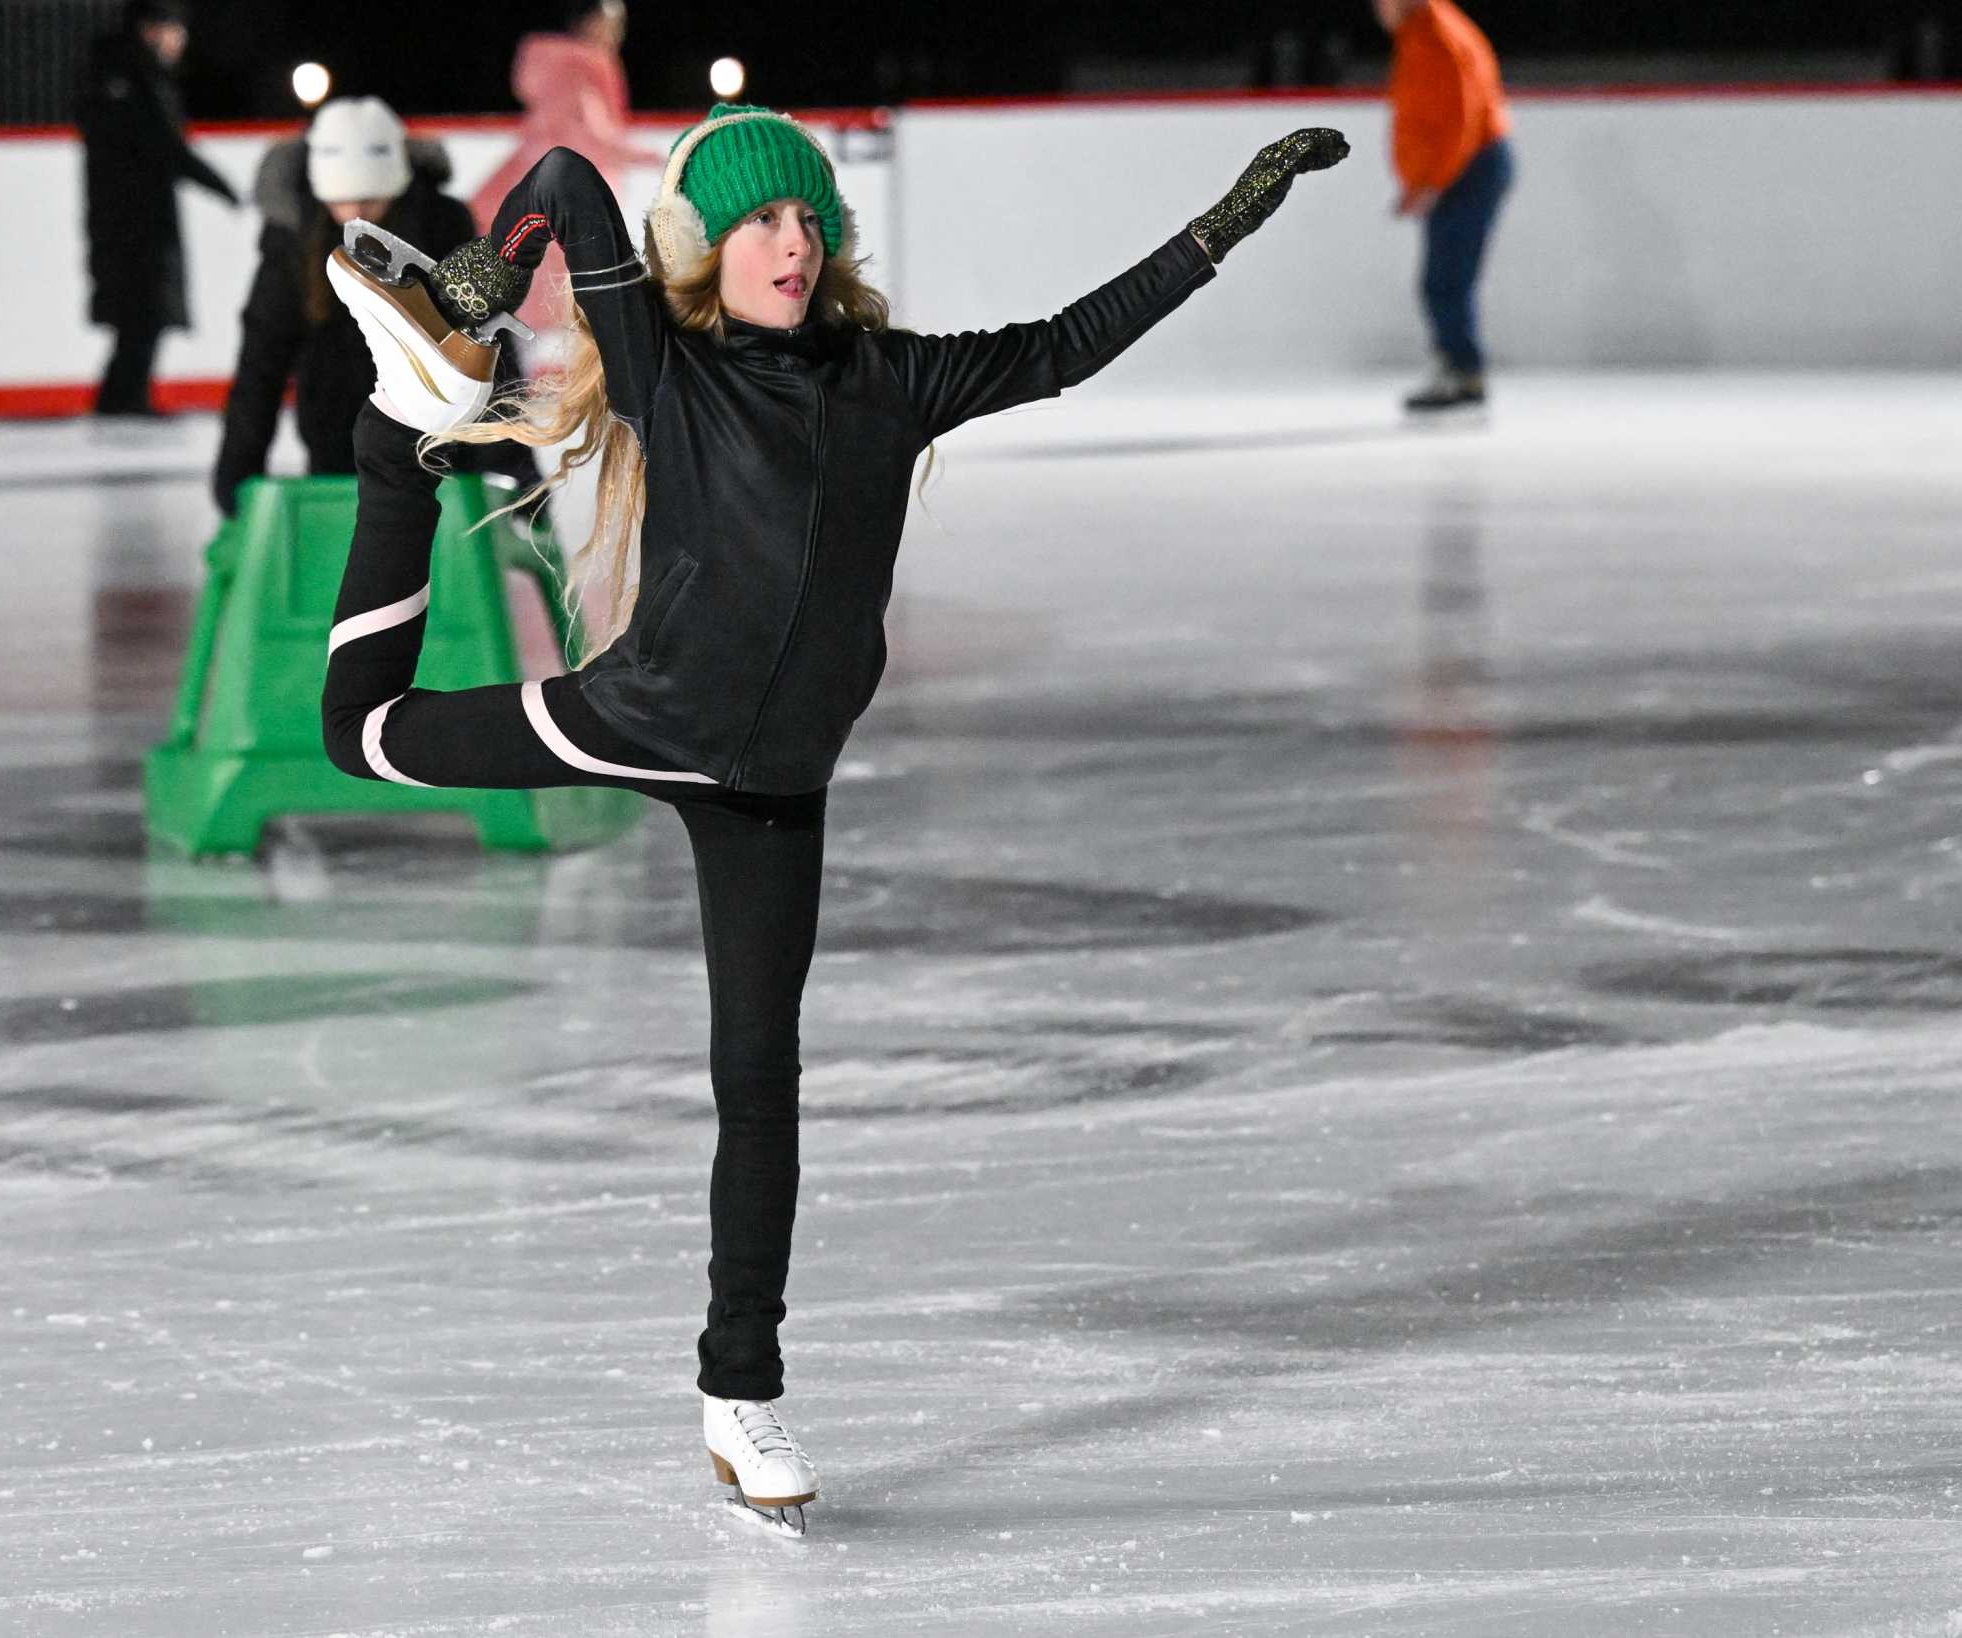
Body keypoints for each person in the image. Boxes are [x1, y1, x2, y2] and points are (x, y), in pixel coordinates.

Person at [319, 104, 1349, 1534]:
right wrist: (496, 273)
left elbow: (1060, 346)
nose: (791, 241)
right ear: (708, 249)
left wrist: (1215, 233)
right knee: (361, 734)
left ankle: (740, 1389)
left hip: (778, 783)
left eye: (807, 219)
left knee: (763, 1080)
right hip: (645, 723)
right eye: (757, 221)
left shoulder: (890, 382)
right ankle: (400, 431)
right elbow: (561, 173)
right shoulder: (664, 363)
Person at [212, 99, 539, 516]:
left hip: (446, 447)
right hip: (338, 445)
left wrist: (519, 474)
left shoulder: (442, 227)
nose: (353, 214)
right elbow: (262, 362)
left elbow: (494, 354)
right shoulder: (294, 240)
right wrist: (237, 474)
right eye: (339, 202)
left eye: (368, 201)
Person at [468, 0, 663, 346]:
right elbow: (591, 136)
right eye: (610, 22)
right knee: (565, 297)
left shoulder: (552, 64)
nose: (617, 32)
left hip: (536, 180)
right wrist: (655, 157)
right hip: (571, 192)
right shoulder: (585, 67)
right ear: (587, 23)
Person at [76, 0, 238, 418]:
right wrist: (222, 187)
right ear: (154, 31)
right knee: (143, 309)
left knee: (140, 314)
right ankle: (123, 399)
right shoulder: (139, 79)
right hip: (135, 219)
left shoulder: (122, 76)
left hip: (123, 216)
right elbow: (167, 148)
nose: (180, 43)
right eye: (176, 33)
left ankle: (122, 396)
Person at [1376, 0, 1513, 412]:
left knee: (1445, 279)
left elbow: (1462, 117)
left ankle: (1463, 371)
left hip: (1468, 169)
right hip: (1460, 170)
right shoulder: (1420, 34)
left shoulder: (1437, 36)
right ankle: (1459, 368)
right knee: (1445, 278)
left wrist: (1433, 182)